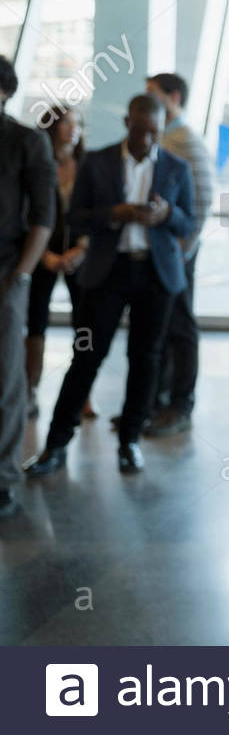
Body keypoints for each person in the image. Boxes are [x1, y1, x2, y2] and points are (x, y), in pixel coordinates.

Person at [25, 93, 194, 477]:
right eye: (140, 131)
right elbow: (78, 219)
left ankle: (129, 442)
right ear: (127, 125)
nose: (147, 140)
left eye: (154, 133)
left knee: (146, 360)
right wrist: (114, 214)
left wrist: (167, 214)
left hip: (156, 275)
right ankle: (55, 444)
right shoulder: (97, 162)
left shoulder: (176, 168)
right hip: (106, 274)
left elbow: (188, 222)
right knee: (86, 357)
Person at [142, 72, 214, 437]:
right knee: (163, 329)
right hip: (161, 254)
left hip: (177, 254)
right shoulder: (164, 137)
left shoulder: (185, 140)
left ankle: (180, 406)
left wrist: (181, 254)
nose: (148, 102)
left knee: (182, 328)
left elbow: (202, 202)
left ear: (173, 97)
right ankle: (153, 404)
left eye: (154, 95)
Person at [0, 55, 54, 517]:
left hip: (7, 270)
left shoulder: (26, 142)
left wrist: (20, 275)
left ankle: (2, 479)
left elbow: (43, 217)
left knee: (5, 377)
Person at [26, 107, 96, 423]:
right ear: (52, 127)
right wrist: (43, 255)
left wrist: (81, 250)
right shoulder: (39, 164)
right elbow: (26, 212)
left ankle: (82, 394)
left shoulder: (88, 166)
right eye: (67, 122)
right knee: (35, 321)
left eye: (77, 122)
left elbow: (99, 214)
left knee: (84, 323)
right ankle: (29, 390)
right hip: (42, 252)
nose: (73, 128)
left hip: (79, 255)